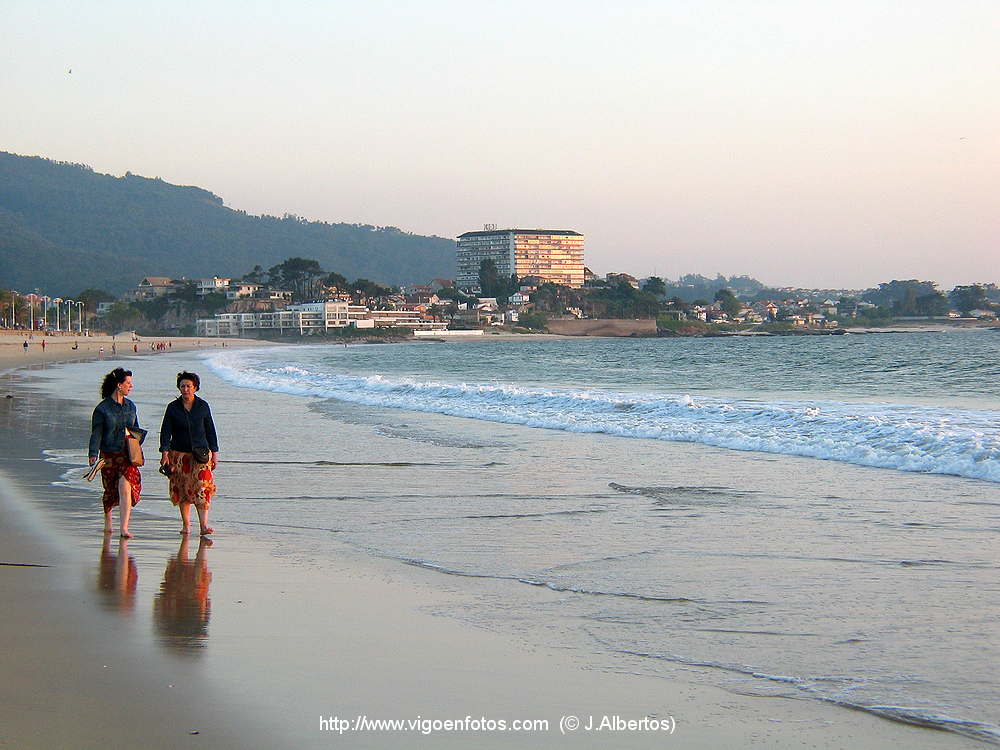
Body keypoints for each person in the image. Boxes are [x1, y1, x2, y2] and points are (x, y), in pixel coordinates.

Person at [159, 371, 219, 536]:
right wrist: (164, 453)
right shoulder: (172, 408)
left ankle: (204, 525)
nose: (185, 389)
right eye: (183, 386)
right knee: (183, 490)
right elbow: (165, 432)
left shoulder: (203, 406)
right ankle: (186, 525)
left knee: (202, 488)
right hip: (178, 455)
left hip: (201, 456)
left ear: (195, 388)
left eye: (188, 386)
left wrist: (215, 453)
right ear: (179, 387)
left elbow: (210, 431)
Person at [88, 367, 142, 538]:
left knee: (125, 486)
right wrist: (93, 453)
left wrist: (138, 445)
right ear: (119, 385)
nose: (131, 387)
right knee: (111, 490)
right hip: (109, 454)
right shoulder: (102, 409)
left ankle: (124, 528)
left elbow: (136, 430)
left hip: (127, 454)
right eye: (128, 383)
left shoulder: (131, 406)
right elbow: (96, 432)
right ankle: (108, 519)